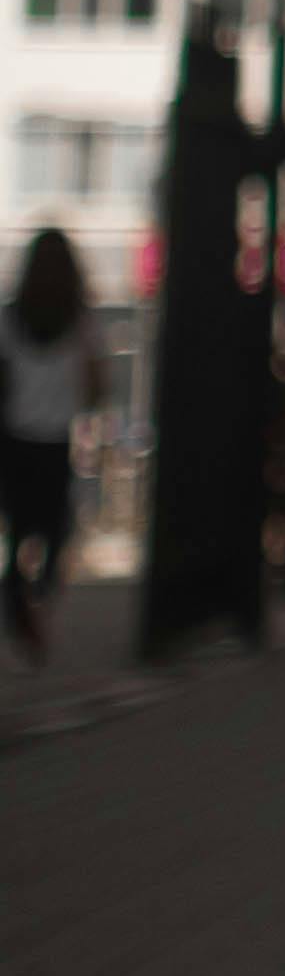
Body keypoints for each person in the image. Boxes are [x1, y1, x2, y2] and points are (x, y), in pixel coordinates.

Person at [4, 225, 99, 660]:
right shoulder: (80, 322)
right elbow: (96, 384)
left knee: (19, 530)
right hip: (54, 440)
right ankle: (31, 601)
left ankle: (18, 603)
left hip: (13, 438)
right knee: (55, 531)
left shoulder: (9, 318)